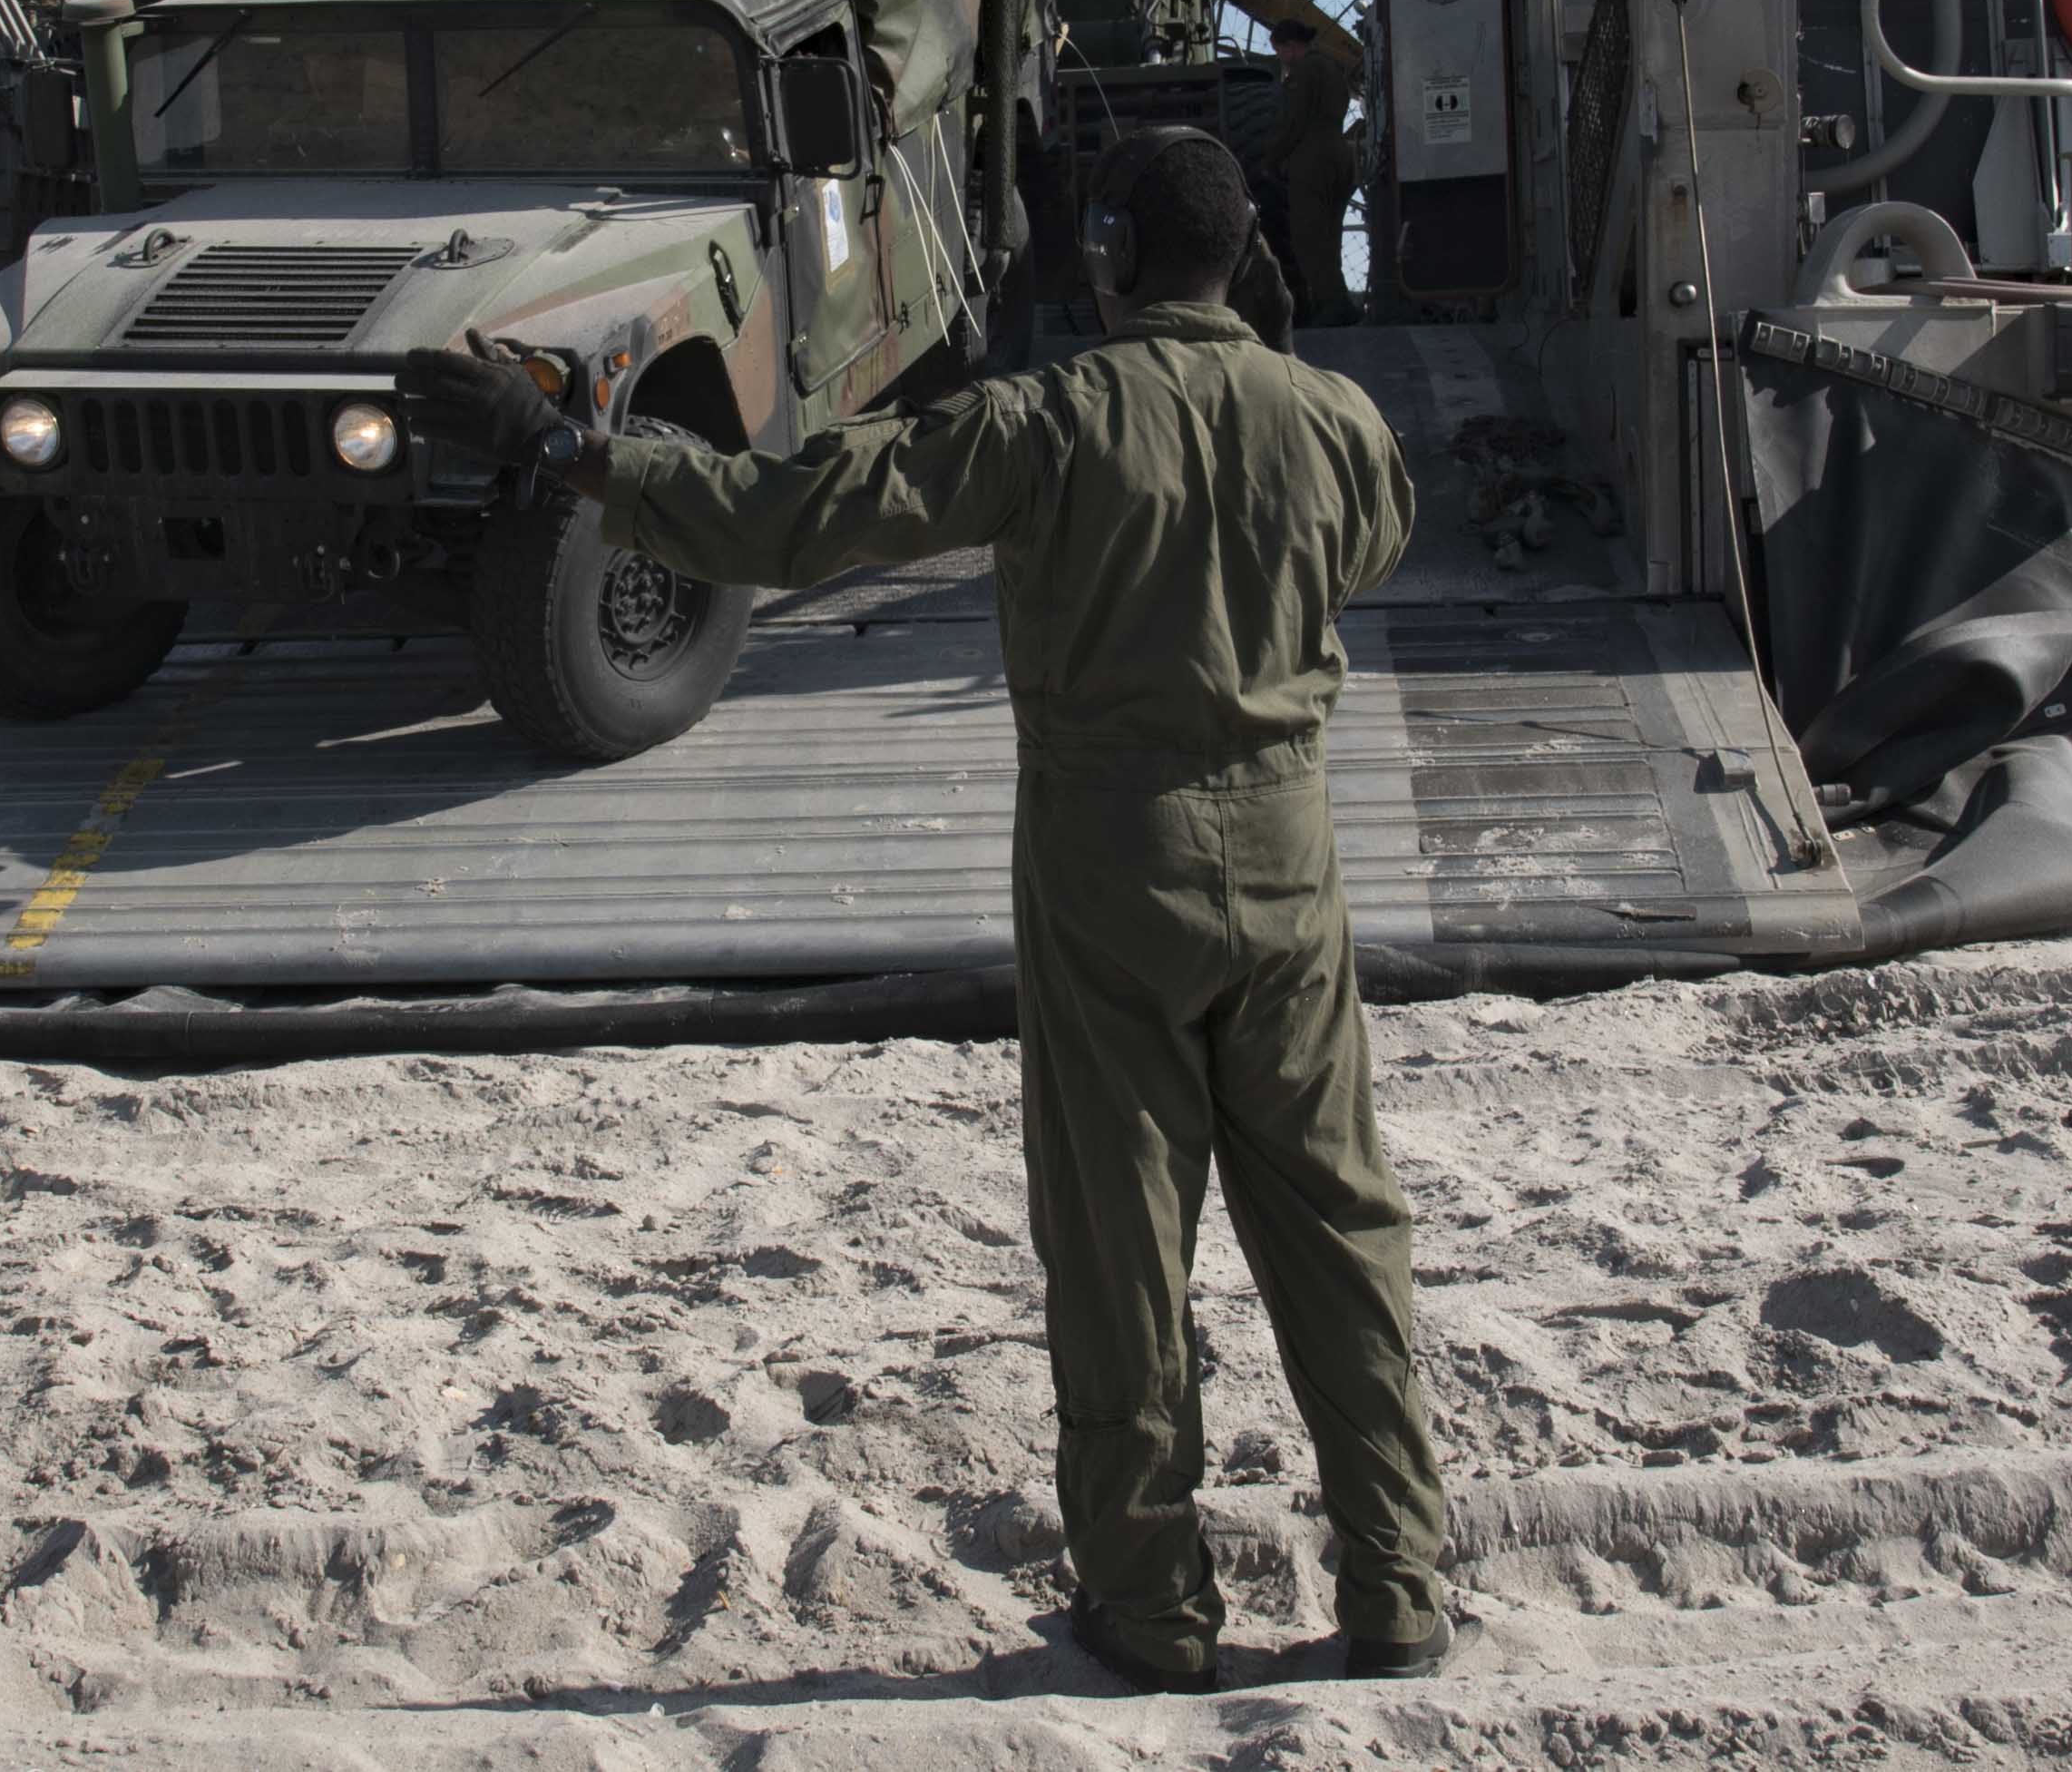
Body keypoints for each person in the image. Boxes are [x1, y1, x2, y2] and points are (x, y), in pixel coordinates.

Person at [398, 127, 1450, 1694]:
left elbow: (791, 512)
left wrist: (563, 446)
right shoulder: (1338, 420)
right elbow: (1368, 535)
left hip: (1111, 860)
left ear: (1108, 255)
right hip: (1291, 855)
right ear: (1248, 261)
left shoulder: (1048, 421)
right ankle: (1399, 1589)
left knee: (1119, 1244)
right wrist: (1272, 375)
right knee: (1339, 1225)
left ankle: (1152, 1610)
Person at [1263, 13, 1361, 328]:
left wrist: (1271, 160)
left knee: (1309, 239)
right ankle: (1339, 302)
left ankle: (1333, 305)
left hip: (1312, 160)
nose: (1280, 57)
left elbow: (1295, 123)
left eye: (1279, 50)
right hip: (1341, 155)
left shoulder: (1304, 71)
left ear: (1291, 46)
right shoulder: (1332, 68)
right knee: (1330, 237)